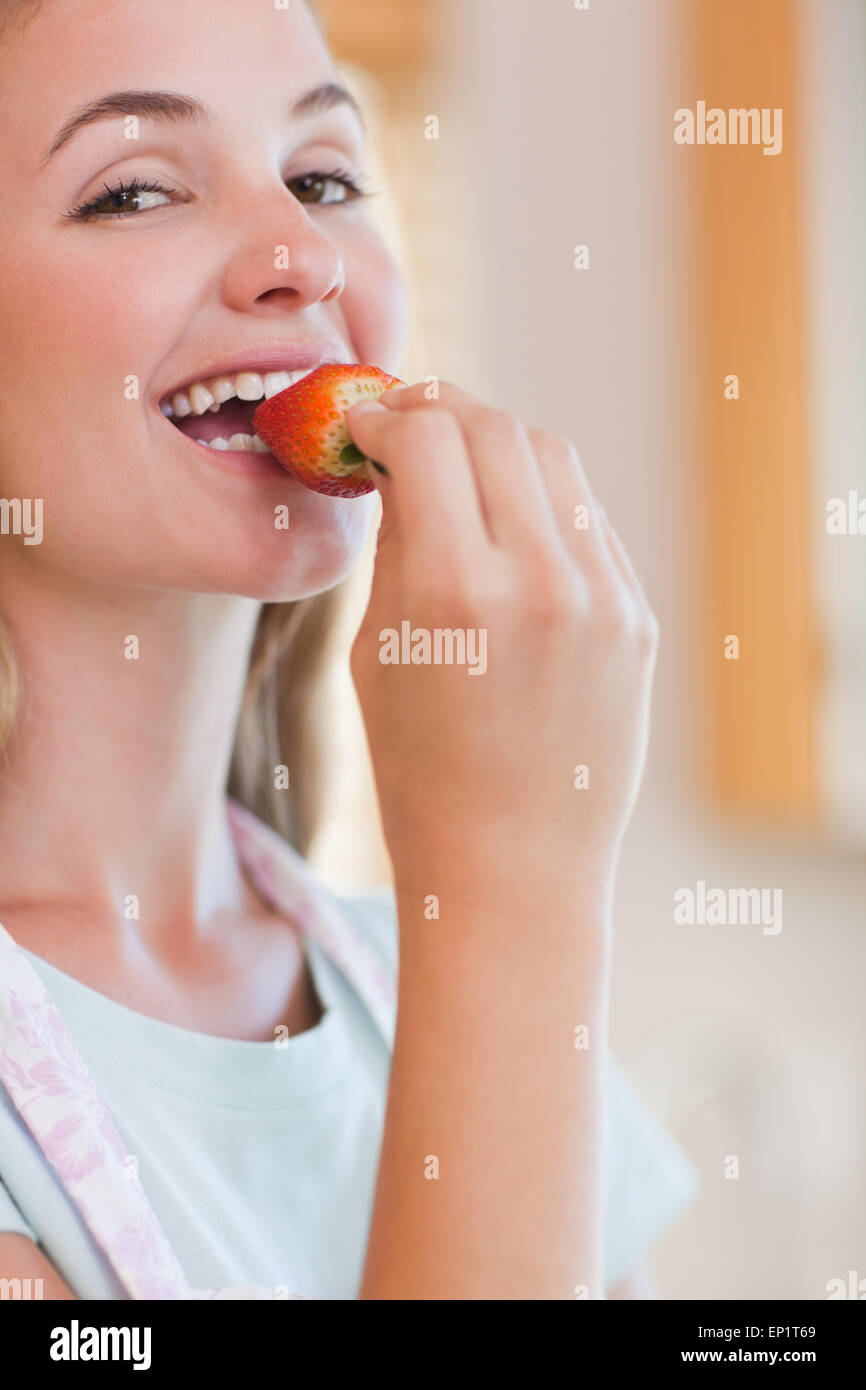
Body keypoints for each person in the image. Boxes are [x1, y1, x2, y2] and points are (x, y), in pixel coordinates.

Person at [0, 0, 697, 1300]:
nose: (300, 254)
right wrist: (509, 876)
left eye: (322, 177)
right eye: (137, 190)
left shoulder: (418, 982)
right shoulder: (496, 934)